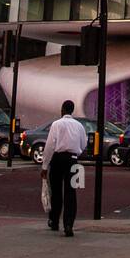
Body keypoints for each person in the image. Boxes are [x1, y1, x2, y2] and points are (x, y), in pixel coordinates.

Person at [41, 101, 88, 237]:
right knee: (71, 192)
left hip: (57, 158)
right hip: (73, 160)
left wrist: (44, 166)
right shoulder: (79, 126)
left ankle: (54, 221)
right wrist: (76, 152)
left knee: (56, 191)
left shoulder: (56, 124)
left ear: (62, 109)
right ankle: (69, 225)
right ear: (72, 110)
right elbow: (83, 143)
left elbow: (50, 146)